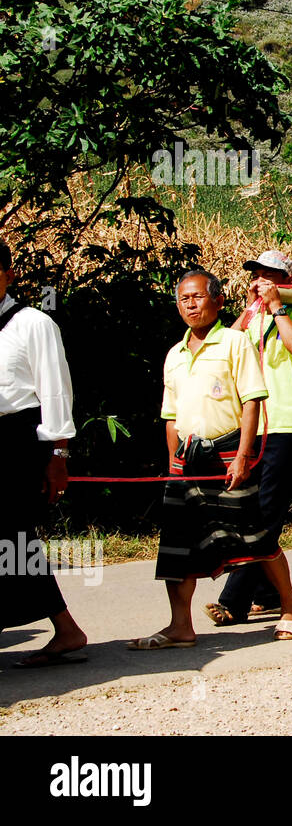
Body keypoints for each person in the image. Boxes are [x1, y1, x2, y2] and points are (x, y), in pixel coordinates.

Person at [130, 269, 292, 649]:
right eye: (184, 298)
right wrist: (174, 461)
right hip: (185, 462)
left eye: (198, 296)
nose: (191, 304)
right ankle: (180, 626)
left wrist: (243, 456)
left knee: (254, 536)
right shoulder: (174, 354)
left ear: (219, 301)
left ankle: (290, 606)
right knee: (176, 547)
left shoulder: (235, 342)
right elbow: (170, 416)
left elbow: (253, 400)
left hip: (227, 453)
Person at [203, 251, 292, 636]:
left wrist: (277, 307)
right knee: (250, 510)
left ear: (287, 279)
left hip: (291, 426)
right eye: (257, 276)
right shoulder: (254, 320)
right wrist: (253, 310)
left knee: (264, 515)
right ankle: (268, 592)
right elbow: (228, 347)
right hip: (254, 429)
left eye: (271, 276)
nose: (262, 282)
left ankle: (233, 601)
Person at [0, 239, 89, 667]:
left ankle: (66, 628)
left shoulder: (32, 322)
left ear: (9, 275)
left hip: (18, 438)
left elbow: (55, 390)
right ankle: (65, 628)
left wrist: (59, 455)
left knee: (12, 536)